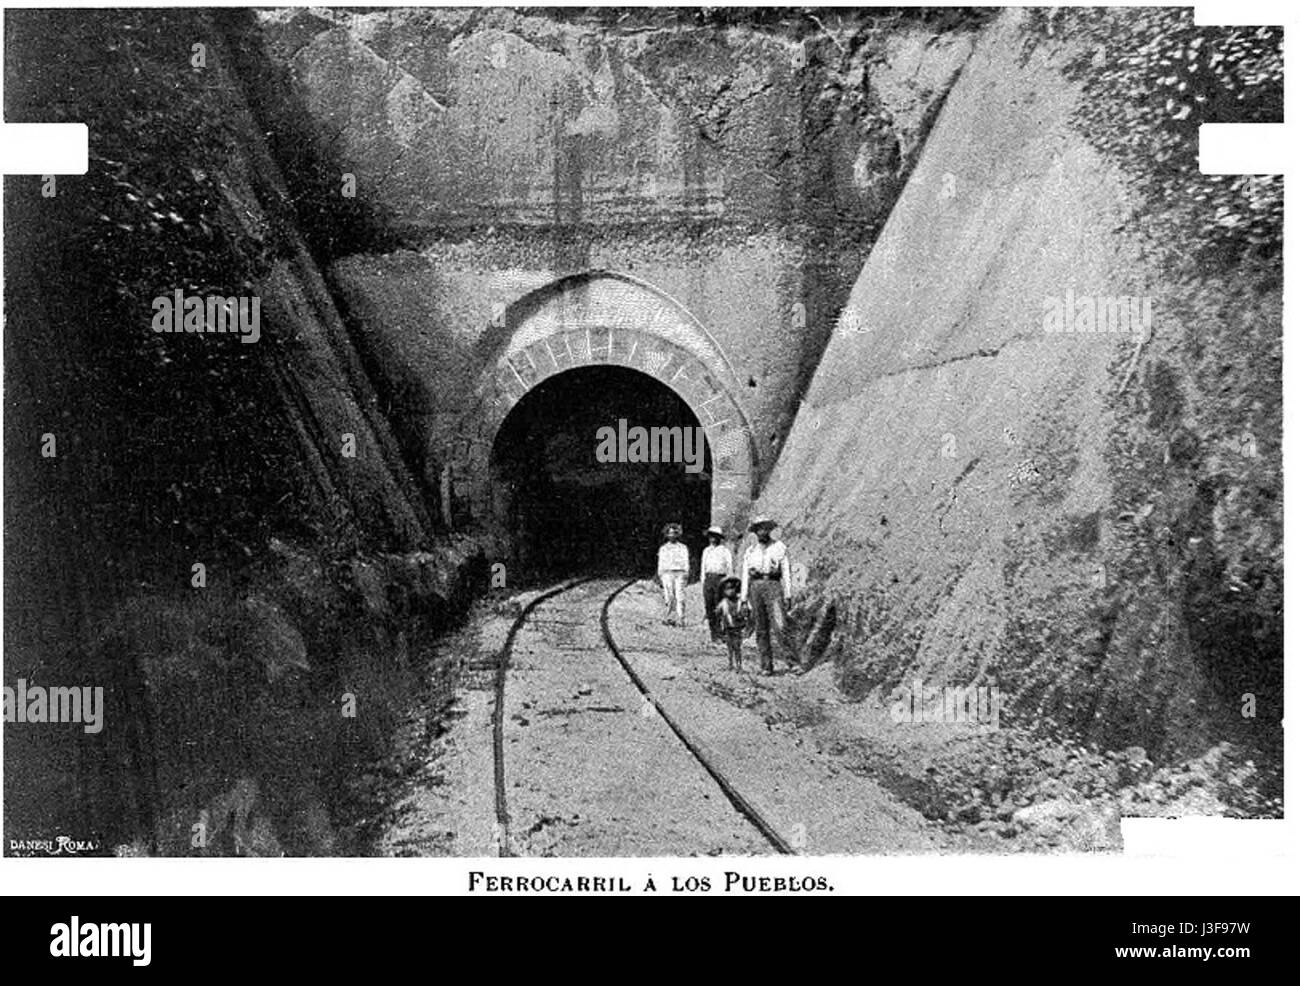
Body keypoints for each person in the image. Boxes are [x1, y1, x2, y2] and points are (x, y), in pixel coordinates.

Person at [739, 515, 794, 676]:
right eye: (759, 529)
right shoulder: (751, 551)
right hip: (755, 587)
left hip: (774, 585)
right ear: (755, 532)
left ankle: (792, 662)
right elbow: (745, 576)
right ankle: (766, 666)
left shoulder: (779, 547)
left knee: (780, 624)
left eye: (765, 528)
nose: (762, 532)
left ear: (770, 530)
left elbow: (786, 572)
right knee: (761, 628)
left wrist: (788, 594)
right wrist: (743, 599)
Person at [700, 525, 733, 642]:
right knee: (709, 607)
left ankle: (722, 633)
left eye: (715, 536)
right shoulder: (706, 551)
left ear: (719, 538)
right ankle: (714, 634)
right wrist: (703, 582)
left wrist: (728, 584)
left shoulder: (725, 551)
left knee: (720, 606)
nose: (712, 539)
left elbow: (729, 569)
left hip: (720, 579)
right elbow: (703, 568)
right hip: (709, 579)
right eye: (711, 536)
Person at [656, 522, 689, 626]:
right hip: (667, 573)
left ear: (677, 534)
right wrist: (660, 574)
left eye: (674, 533)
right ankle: (668, 617)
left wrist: (686, 573)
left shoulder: (683, 547)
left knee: (680, 596)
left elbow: (686, 561)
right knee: (668, 596)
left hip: (679, 573)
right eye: (670, 533)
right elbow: (661, 563)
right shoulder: (664, 548)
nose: (672, 535)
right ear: (667, 535)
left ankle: (681, 618)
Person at [715, 576, 747, 672]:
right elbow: (717, 612)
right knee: (730, 647)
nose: (730, 591)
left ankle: (739, 665)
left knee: (737, 647)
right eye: (727, 589)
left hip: (737, 628)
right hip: (728, 628)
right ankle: (730, 664)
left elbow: (746, 612)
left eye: (732, 588)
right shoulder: (724, 602)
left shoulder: (740, 602)